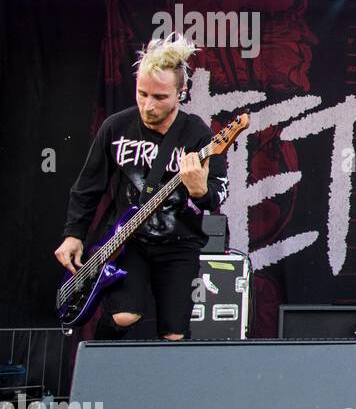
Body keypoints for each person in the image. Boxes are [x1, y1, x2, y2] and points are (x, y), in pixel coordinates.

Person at [54, 39, 229, 340]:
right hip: (127, 240)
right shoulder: (115, 127)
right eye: (142, 94)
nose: (148, 105)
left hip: (179, 244)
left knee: (175, 334)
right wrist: (73, 234)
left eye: (160, 97)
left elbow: (217, 193)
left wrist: (200, 191)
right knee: (123, 316)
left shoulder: (199, 135)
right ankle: (102, 370)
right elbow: (88, 187)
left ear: (181, 93)